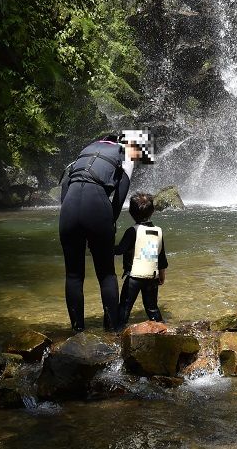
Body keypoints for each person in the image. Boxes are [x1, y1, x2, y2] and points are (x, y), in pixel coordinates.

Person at [58, 128, 154, 332]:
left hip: (68, 208)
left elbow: (66, 186)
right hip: (96, 208)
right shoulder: (127, 154)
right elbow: (120, 195)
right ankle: (112, 330)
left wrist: (69, 213)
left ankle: (77, 332)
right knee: (107, 274)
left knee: (73, 275)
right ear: (135, 147)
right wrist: (108, 222)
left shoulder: (88, 150)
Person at [115, 192, 168, 328]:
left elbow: (120, 250)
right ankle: (161, 329)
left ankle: (118, 332)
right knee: (152, 308)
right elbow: (161, 257)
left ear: (131, 212)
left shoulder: (132, 231)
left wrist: (103, 247)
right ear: (152, 211)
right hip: (152, 277)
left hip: (134, 277)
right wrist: (162, 275)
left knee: (125, 307)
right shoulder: (158, 231)